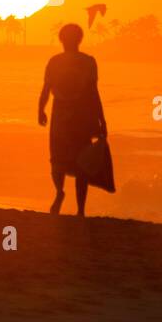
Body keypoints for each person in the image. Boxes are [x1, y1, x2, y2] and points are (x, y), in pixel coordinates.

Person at [38, 22, 107, 216]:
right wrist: (40, 109)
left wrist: (41, 110)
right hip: (72, 115)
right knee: (65, 160)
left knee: (72, 161)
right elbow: (46, 89)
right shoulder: (68, 61)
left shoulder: (84, 61)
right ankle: (69, 201)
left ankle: (73, 203)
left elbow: (93, 92)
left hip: (70, 115)